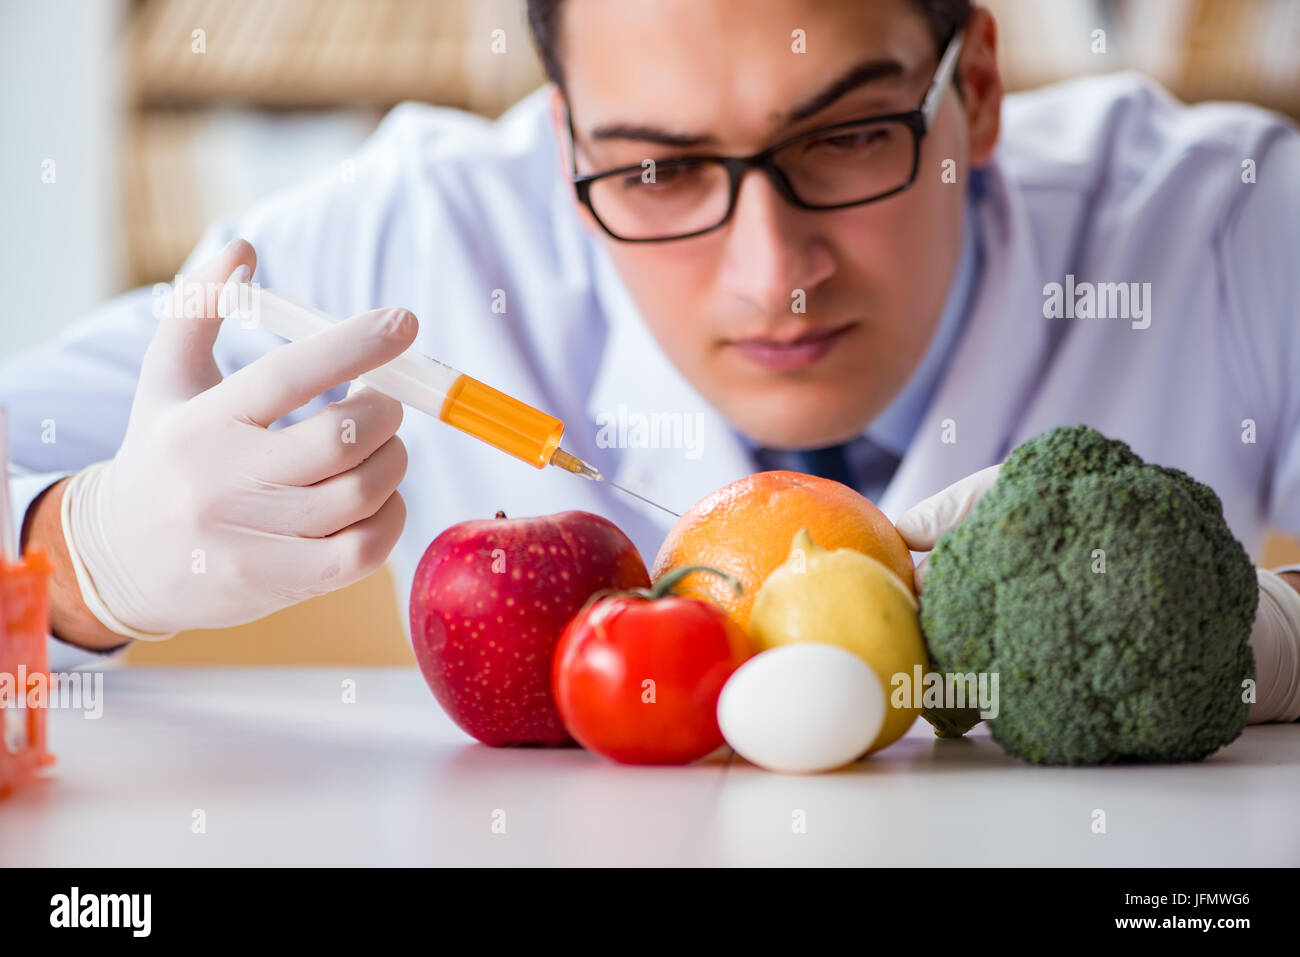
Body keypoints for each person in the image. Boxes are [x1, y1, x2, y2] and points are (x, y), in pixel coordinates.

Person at [4, 0, 1298, 722]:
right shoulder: (416, 236)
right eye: (659, 168)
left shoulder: (1224, 225)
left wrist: (1248, 641)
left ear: (982, 89)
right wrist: (83, 563)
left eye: (848, 136)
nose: (771, 271)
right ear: (564, 146)